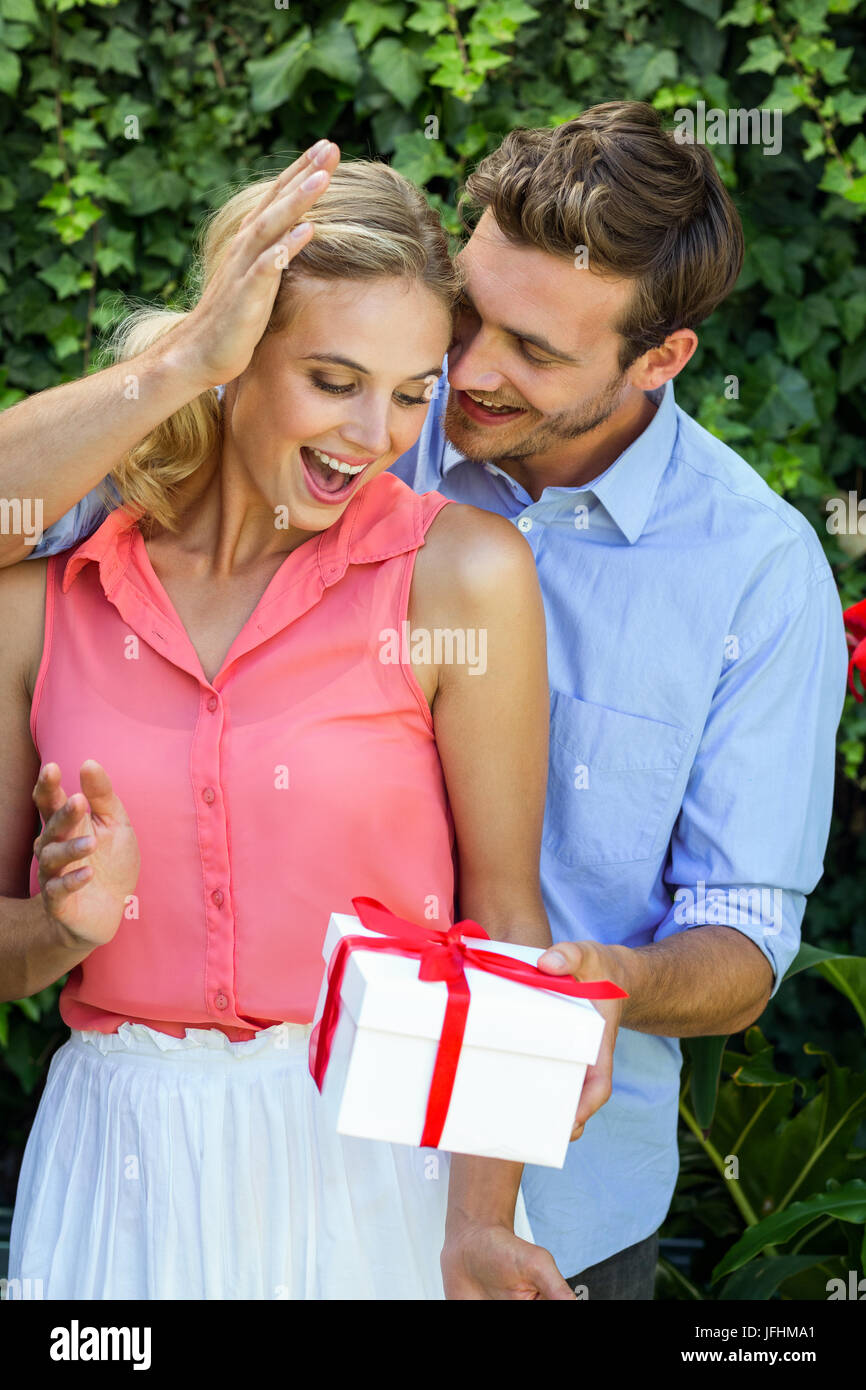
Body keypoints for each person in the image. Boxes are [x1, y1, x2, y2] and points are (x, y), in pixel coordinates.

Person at [1, 102, 850, 1301]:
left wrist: (595, 981)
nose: (469, 376)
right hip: (180, 1152)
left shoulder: (752, 574)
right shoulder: (359, 414)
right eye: (470, 319)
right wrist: (192, 356)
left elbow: (742, 940)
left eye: (537, 352)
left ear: (657, 359)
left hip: (545, 1183)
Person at [0, 145, 567, 1300]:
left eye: (414, 392)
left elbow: (505, 922)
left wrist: (479, 1221)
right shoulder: (47, 597)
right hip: (116, 1169)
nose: (375, 433)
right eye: (332, 377)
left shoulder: (458, 574)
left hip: (373, 1164)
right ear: (234, 351)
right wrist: (69, 925)